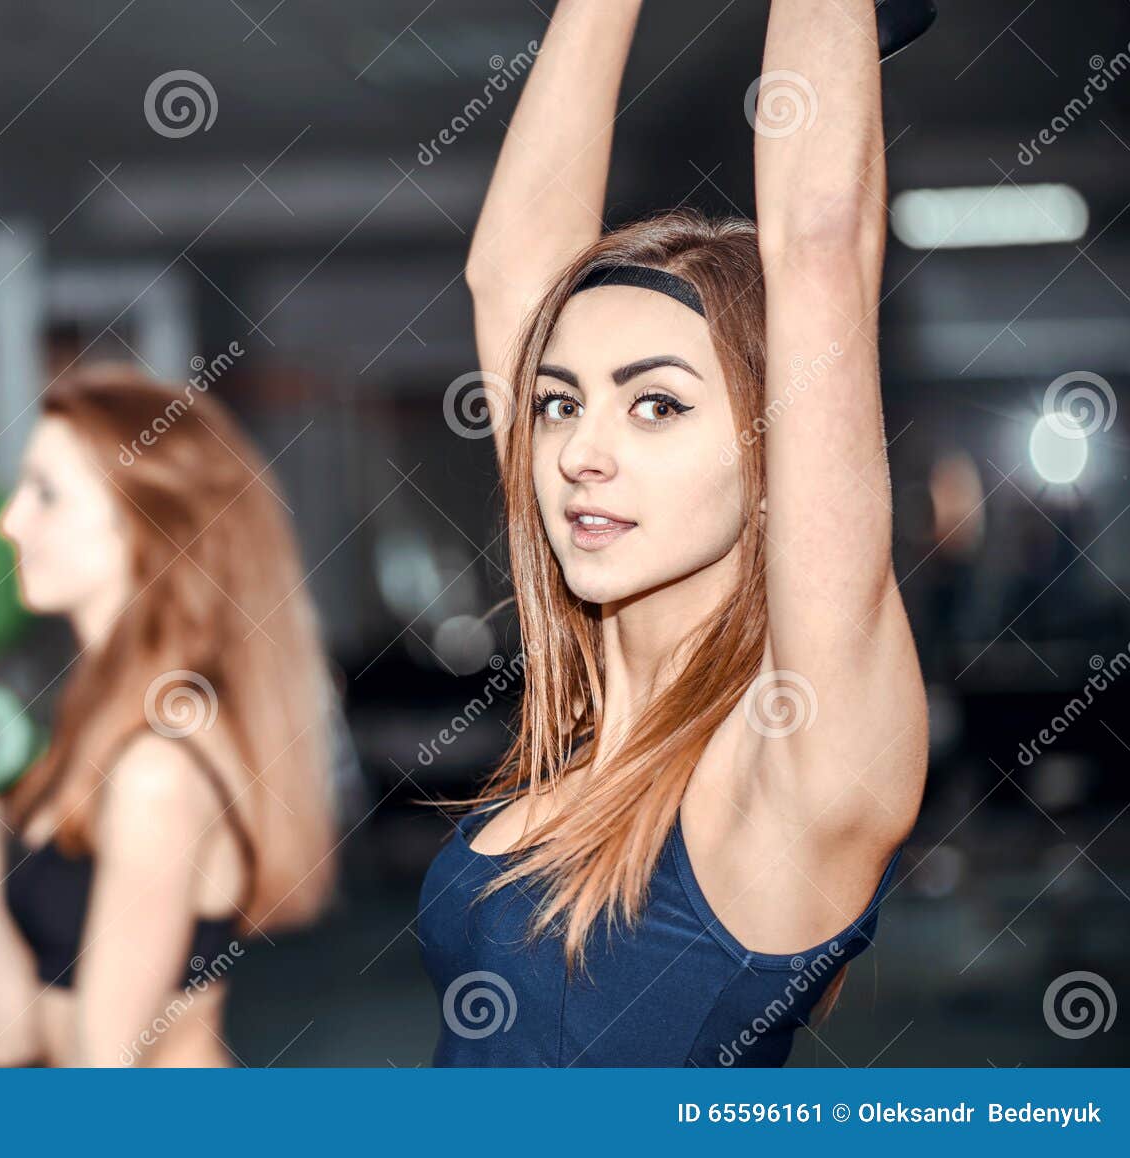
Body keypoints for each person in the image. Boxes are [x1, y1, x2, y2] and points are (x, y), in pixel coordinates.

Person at [419, 0, 929, 1066]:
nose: (577, 453)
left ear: (770, 450)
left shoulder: (793, 757)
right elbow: (510, 276)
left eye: (656, 406)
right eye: (559, 403)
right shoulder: (599, 735)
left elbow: (817, 245)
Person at [0, 363, 338, 1067]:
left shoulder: (159, 764)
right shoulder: (99, 726)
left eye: (46, 494)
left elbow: (106, 1063)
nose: (9, 521)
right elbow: (12, 1039)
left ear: (144, 523)